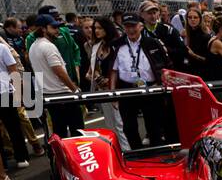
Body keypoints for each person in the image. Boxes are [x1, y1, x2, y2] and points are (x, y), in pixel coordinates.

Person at [109, 13, 167, 150]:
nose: (130, 30)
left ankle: (156, 153)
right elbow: (113, 71)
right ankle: (137, 154)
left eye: (133, 26)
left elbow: (165, 66)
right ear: (123, 28)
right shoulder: (117, 45)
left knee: (154, 125)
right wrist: (113, 93)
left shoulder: (153, 43)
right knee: (129, 126)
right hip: (127, 89)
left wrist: (162, 85)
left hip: (150, 88)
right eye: (127, 26)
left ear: (140, 26)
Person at [27, 14, 82, 138]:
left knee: (59, 132)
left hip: (49, 95)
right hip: (62, 93)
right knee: (77, 131)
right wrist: (74, 89)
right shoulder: (48, 46)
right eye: (54, 27)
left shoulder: (33, 47)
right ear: (43, 29)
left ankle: (60, 156)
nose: (58, 30)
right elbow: (59, 71)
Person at [88, 16, 129, 152]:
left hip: (116, 89)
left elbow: (123, 68)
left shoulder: (117, 45)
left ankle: (127, 152)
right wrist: (97, 78)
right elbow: (90, 72)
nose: (96, 31)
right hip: (102, 90)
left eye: (100, 28)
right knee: (110, 124)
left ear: (107, 28)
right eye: (95, 28)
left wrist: (109, 81)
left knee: (120, 123)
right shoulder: (96, 46)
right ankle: (117, 152)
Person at [0, 34, 29, 176]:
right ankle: (4, 163)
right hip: (5, 92)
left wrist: (18, 94)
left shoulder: (2, 48)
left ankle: (21, 156)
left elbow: (13, 70)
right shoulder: (2, 48)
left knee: (13, 126)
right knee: (12, 126)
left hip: (5, 92)